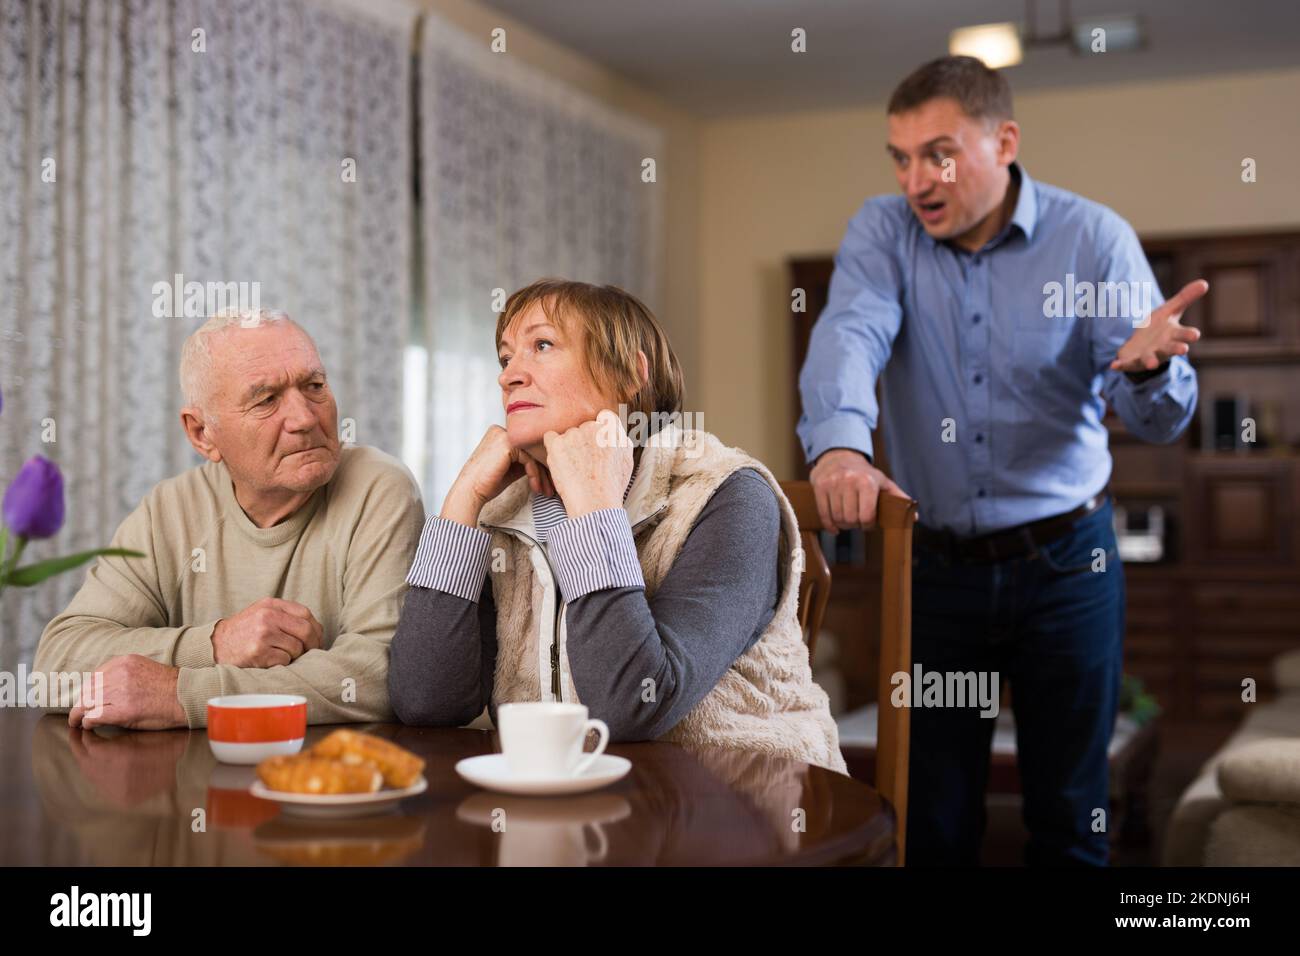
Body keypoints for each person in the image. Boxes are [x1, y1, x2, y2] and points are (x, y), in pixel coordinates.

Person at [798, 56, 1207, 863]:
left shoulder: (1092, 240)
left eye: (939, 154)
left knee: (1068, 812)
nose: (917, 179)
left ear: (1006, 141)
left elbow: (1152, 417)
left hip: (1068, 565)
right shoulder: (883, 232)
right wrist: (841, 446)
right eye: (901, 157)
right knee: (933, 817)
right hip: (936, 571)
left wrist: (1154, 368)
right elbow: (851, 333)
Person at [390, 278, 846, 773]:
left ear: (631, 372)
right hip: (572, 814)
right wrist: (462, 502)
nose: (509, 376)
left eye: (541, 345)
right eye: (505, 358)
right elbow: (425, 703)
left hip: (742, 808)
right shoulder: (502, 516)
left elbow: (633, 706)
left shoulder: (728, 496)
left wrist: (591, 505)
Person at [34, 309, 424, 729]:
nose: (306, 419)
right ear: (202, 434)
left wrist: (181, 695)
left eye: (314, 386)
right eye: (266, 399)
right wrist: (215, 644)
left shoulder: (379, 486)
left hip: (326, 782)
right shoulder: (168, 510)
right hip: (190, 785)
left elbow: (377, 678)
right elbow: (54, 669)